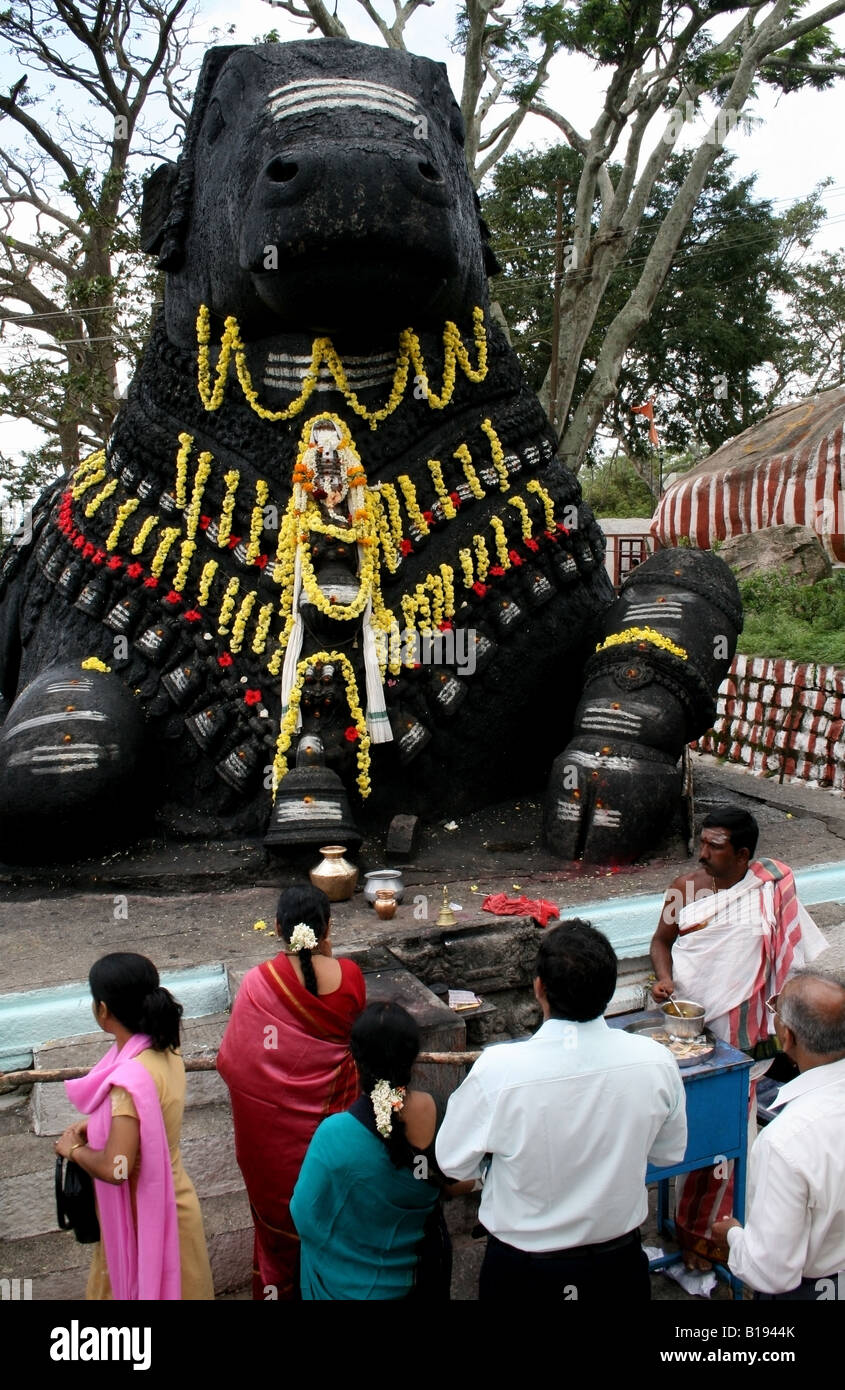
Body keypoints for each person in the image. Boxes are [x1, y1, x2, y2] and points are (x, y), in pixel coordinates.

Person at [435, 920, 688, 1301]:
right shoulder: (655, 1061)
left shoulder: (498, 1070)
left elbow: (453, 1163)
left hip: (524, 1273)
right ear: (609, 989)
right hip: (616, 1269)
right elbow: (668, 1153)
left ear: (539, 988)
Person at [650, 807, 828, 1268]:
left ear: (743, 854)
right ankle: (694, 1228)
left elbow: (791, 955)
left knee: (729, 1133)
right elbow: (660, 943)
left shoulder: (769, 889)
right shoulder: (685, 888)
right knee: (686, 1128)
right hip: (685, 1028)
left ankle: (713, 1232)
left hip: (744, 1039)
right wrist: (664, 979)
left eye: (715, 847)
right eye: (702, 843)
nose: (702, 854)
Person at [216, 884, 365, 1299]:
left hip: (272, 1152)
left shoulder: (257, 983)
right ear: (328, 926)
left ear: (278, 928)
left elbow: (232, 1062)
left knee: (282, 1238)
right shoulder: (350, 977)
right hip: (330, 1136)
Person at [55, 952, 214, 1300]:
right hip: (176, 1202)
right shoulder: (166, 1050)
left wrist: (75, 1151)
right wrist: (98, 1126)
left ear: (103, 1010)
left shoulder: (129, 1079)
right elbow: (150, 1118)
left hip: (144, 1219)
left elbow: (117, 1168)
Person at [290, 1000, 470, 1299]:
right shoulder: (436, 1111)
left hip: (343, 1287)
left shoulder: (334, 1134)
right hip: (420, 1278)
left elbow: (303, 1214)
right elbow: (452, 1182)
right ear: (412, 1060)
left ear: (354, 1060)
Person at [712, 969, 845, 1298]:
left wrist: (732, 1237)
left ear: (788, 1038)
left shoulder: (786, 1140)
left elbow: (771, 1272)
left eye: (775, 1009)